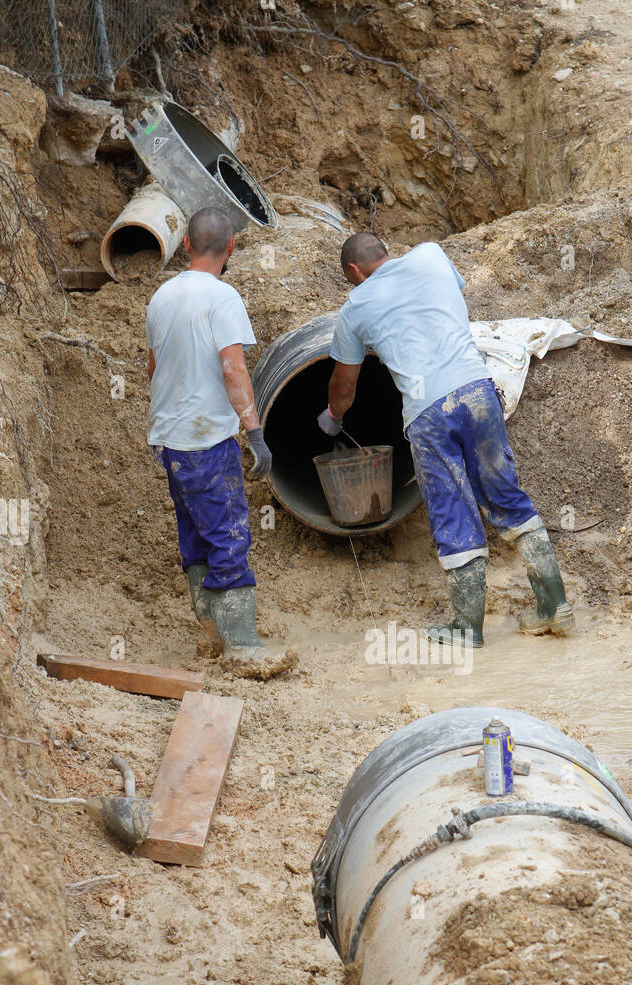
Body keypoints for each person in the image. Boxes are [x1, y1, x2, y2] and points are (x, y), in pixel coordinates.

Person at [318, 232, 574, 648]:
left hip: (428, 412)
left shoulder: (355, 308)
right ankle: (554, 605)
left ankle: (468, 628)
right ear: (386, 249)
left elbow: (343, 385)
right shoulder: (432, 256)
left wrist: (333, 417)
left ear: (353, 271)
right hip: (478, 391)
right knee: (506, 497)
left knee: (453, 510)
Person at [146, 206, 293, 678]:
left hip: (170, 441)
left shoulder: (161, 297)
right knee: (229, 533)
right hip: (207, 438)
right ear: (231, 248)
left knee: (195, 535)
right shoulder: (222, 297)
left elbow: (153, 370)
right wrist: (255, 432)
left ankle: (212, 633)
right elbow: (233, 370)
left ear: (186, 245)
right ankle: (244, 649)